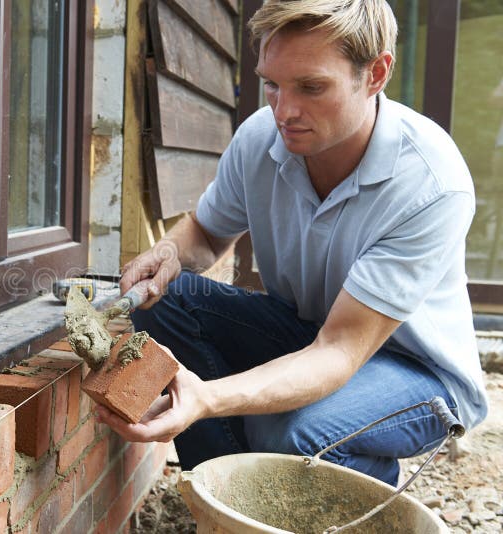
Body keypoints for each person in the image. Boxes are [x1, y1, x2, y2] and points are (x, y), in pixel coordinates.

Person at [95, 0, 488, 487]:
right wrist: (170, 251)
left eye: (311, 87)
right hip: (312, 334)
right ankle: (224, 501)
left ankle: (359, 485)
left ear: (377, 74)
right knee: (168, 298)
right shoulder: (261, 138)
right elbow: (206, 233)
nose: (284, 111)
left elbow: (341, 350)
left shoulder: (430, 184)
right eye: (272, 84)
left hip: (414, 371)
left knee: (292, 431)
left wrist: (208, 398)